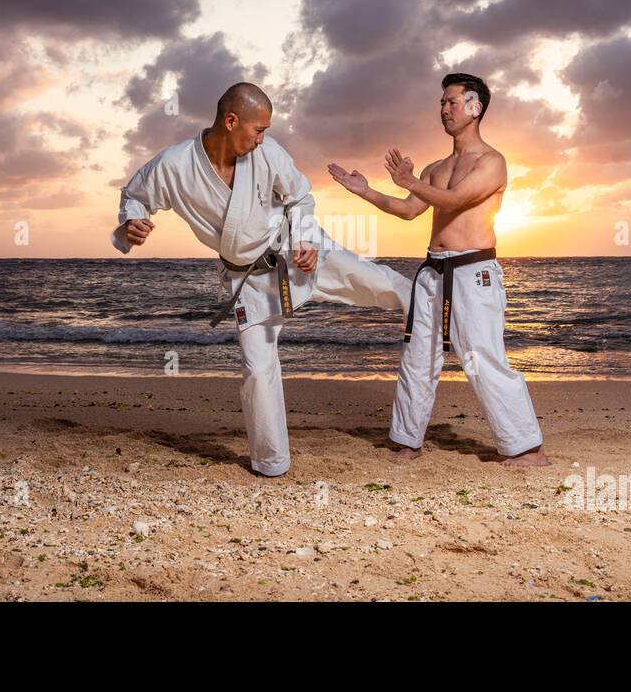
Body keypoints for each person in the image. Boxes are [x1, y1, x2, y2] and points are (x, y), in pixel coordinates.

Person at [112, 82, 411, 477]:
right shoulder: (174, 165)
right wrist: (132, 221)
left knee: (375, 282)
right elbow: (134, 194)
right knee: (258, 367)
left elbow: (300, 197)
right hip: (247, 280)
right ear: (230, 120)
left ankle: (431, 306)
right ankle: (271, 462)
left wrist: (305, 239)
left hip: (294, 248)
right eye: (259, 129)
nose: (263, 138)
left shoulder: (268, 153)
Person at [328, 73, 549, 467]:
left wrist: (410, 180)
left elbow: (454, 198)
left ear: (474, 107)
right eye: (441, 103)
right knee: (418, 357)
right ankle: (407, 440)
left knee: (483, 356)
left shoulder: (492, 162)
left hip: (473, 272)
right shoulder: (437, 166)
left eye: (451, 102)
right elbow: (410, 209)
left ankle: (526, 448)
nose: (443, 109)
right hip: (432, 273)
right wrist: (367, 192)